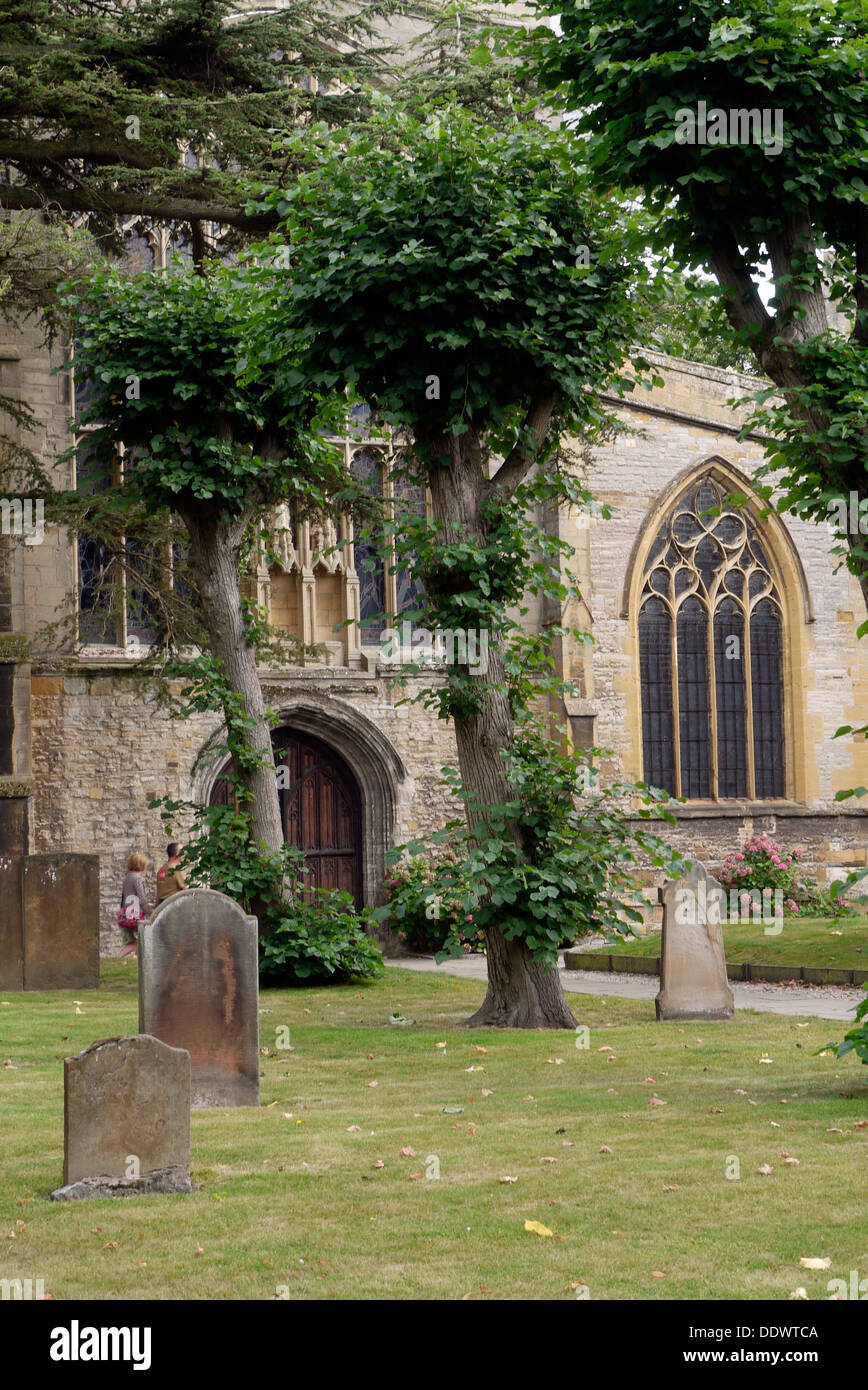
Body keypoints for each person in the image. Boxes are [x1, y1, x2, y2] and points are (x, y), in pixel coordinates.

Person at [118, 851, 150, 957]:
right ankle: (118, 957)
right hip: (137, 914)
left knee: (135, 942)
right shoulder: (138, 879)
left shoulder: (127, 878)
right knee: (141, 941)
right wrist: (149, 912)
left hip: (127, 913)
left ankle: (135, 961)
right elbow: (142, 898)